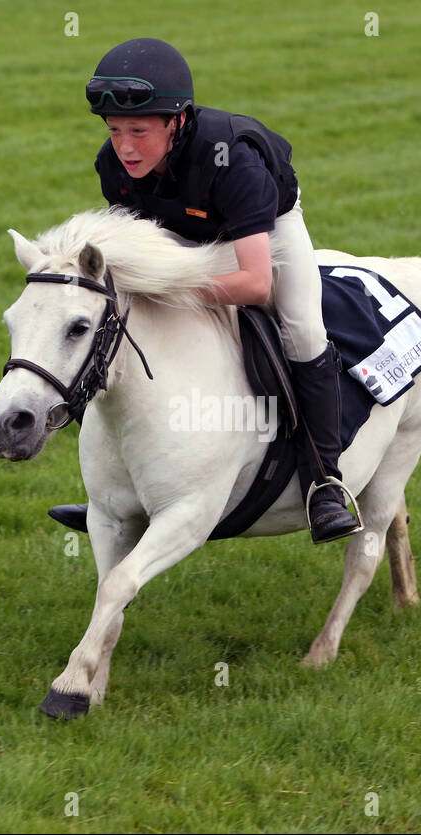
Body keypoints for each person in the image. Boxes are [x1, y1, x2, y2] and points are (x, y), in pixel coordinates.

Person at [48, 37, 361, 544]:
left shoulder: (233, 160)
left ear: (177, 121)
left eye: (139, 131)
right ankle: (110, 492)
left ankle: (324, 483)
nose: (125, 146)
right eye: (114, 130)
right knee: (106, 328)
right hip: (185, 228)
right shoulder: (113, 167)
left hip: (267, 230)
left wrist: (172, 290)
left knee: (304, 330)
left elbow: (256, 284)